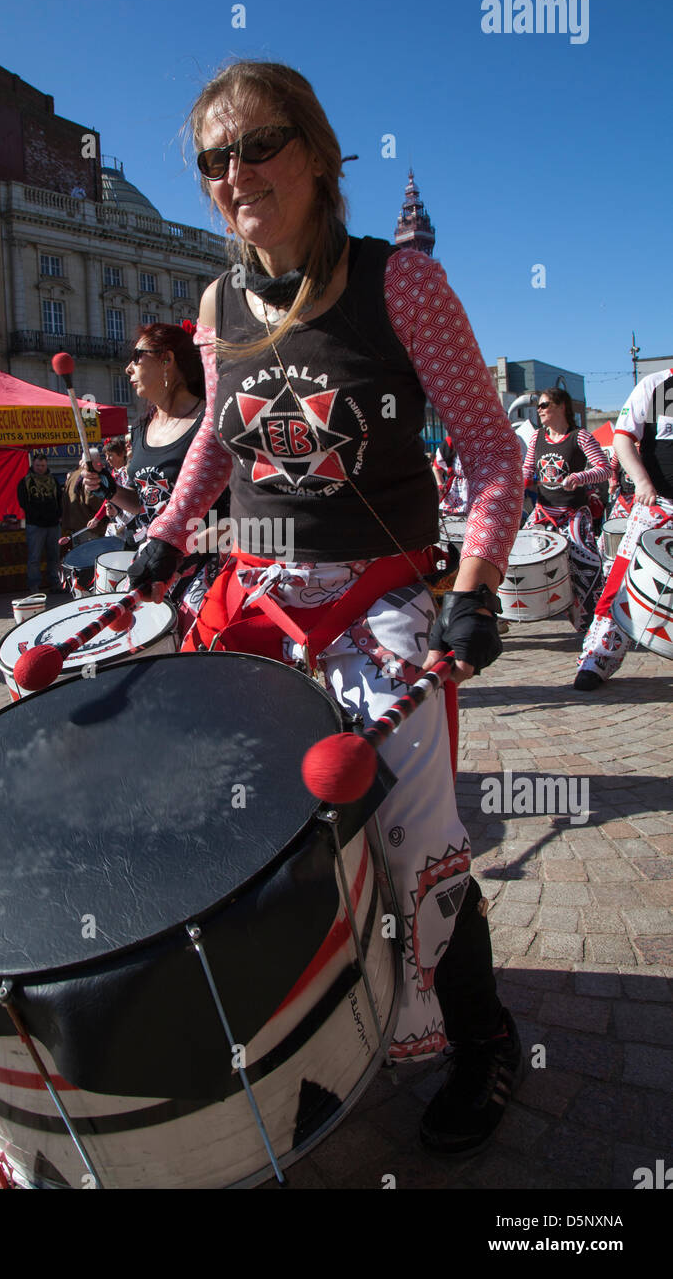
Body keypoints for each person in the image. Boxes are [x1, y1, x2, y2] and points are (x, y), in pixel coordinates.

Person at [125, 61, 524, 1156]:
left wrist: (477, 589)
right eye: (214, 159)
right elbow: (216, 431)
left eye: (256, 146)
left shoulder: (399, 285)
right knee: (207, 810)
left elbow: (492, 454)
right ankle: (273, 1016)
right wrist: (166, 536)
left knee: (409, 835)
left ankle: (483, 1040)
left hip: (377, 595)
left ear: (315, 153)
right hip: (248, 592)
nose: (233, 174)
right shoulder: (213, 302)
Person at [82, 323, 228, 620]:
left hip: (207, 572)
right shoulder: (139, 429)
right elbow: (144, 503)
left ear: (167, 359)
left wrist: (177, 546)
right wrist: (109, 489)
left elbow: (239, 516)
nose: (128, 368)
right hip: (153, 564)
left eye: (137, 356)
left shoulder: (212, 423)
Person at [574, 366, 673, 691]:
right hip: (657, 505)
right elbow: (623, 438)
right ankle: (597, 659)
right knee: (620, 583)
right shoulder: (659, 385)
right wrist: (642, 482)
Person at [521, 388, 609, 632]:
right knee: (517, 554)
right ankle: (510, 613)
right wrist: (516, 482)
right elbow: (528, 470)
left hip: (573, 512)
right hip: (543, 510)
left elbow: (604, 468)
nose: (540, 410)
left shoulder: (581, 437)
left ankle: (590, 624)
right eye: (539, 406)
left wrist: (579, 477)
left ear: (561, 406)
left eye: (545, 405)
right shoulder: (536, 437)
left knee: (588, 564)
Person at [17, 452, 63, 593]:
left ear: (47, 464)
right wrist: (38, 515)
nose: (40, 468)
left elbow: (60, 500)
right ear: (33, 465)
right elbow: (23, 502)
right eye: (38, 465)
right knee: (34, 558)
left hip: (53, 524)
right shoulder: (25, 481)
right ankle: (34, 586)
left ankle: (55, 584)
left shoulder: (53, 480)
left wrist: (58, 516)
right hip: (35, 525)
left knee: (54, 556)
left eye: (43, 465)